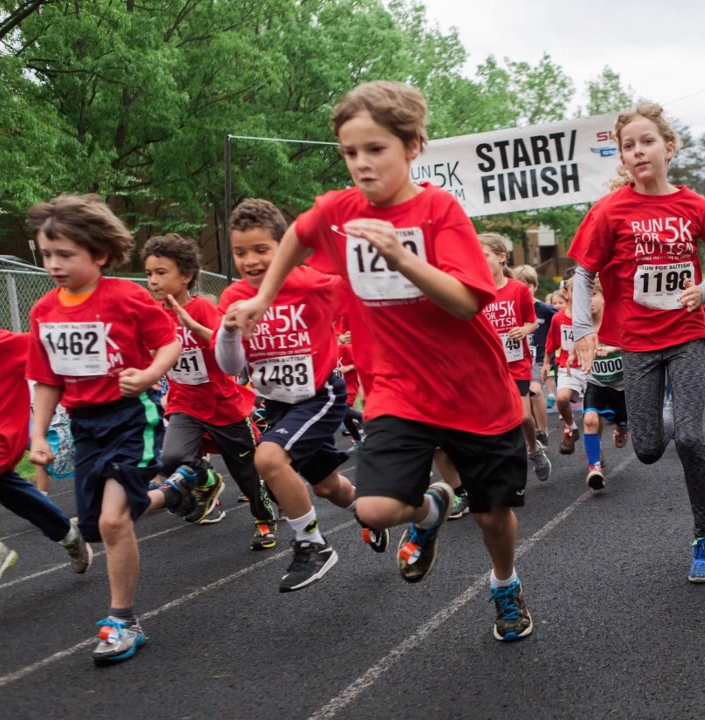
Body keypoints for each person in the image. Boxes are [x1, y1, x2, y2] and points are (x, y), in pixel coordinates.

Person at [224, 81, 534, 641]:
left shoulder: (439, 211)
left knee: (493, 518)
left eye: (375, 149)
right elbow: (297, 232)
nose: (362, 164)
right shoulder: (340, 210)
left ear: (412, 145)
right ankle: (430, 511)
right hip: (397, 389)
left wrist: (399, 255)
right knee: (375, 509)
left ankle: (504, 582)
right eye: (349, 152)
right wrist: (264, 295)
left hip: (476, 392)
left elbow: (466, 303)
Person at [568, 101, 705, 583]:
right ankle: (665, 415)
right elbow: (583, 274)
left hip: (688, 335)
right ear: (622, 158)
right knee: (646, 449)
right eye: (629, 146)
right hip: (638, 345)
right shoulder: (609, 211)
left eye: (647, 142)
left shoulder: (695, 206)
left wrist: (702, 292)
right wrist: (584, 330)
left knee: (689, 437)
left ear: (669, 147)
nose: (639, 151)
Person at [25, 194, 186, 665]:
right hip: (85, 426)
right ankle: (175, 492)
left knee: (115, 521)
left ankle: (123, 620)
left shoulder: (127, 297)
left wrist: (151, 374)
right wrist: (38, 436)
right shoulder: (44, 312)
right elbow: (48, 380)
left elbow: (169, 342)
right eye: (46, 254)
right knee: (98, 525)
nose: (53, 264)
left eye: (65, 255)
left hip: (131, 418)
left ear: (99, 254)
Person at [215, 198, 385, 594]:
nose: (250, 261)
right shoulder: (234, 297)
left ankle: (312, 545)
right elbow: (227, 367)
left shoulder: (313, 284)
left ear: (284, 247)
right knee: (328, 488)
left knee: (269, 458)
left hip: (321, 394)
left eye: (262, 249)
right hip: (278, 405)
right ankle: (372, 514)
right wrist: (227, 329)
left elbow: (363, 285)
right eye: (240, 252)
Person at [141, 233, 282, 549]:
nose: (153, 281)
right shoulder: (152, 315)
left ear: (186, 276)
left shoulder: (203, 307)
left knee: (247, 473)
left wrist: (191, 325)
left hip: (223, 406)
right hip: (184, 403)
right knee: (171, 457)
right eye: (149, 273)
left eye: (161, 273)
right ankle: (208, 480)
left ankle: (264, 520)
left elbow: (226, 349)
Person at [0, 330, 93, 580]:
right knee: (10, 489)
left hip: (3, 439)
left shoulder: (10, 344)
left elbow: (62, 346)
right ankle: (67, 533)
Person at [480, 233, 551, 482]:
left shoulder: (518, 289)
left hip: (518, 363)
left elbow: (532, 322)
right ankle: (504, 465)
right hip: (490, 366)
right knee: (497, 420)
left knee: (522, 416)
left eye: (484, 255)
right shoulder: (478, 291)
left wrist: (524, 329)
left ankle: (532, 448)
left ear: (501, 257)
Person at [579, 279, 629, 490]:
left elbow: (635, 345)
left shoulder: (618, 320)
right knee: (590, 419)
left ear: (603, 297)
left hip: (621, 385)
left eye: (594, 295)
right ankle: (594, 467)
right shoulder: (581, 326)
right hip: (596, 383)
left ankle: (621, 428)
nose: (589, 301)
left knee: (623, 423)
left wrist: (614, 349)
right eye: (586, 296)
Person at [513, 264, 556, 448]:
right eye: (520, 285)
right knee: (524, 399)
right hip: (519, 358)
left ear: (535, 286)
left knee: (536, 391)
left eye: (528, 286)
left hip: (539, 358)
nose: (524, 289)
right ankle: (530, 434)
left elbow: (564, 319)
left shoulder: (545, 309)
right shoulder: (512, 308)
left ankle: (543, 431)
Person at [544, 274, 587, 456]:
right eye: (575, 291)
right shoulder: (558, 319)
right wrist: (546, 363)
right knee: (562, 399)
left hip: (589, 367)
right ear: (566, 293)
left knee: (593, 416)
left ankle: (596, 449)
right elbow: (551, 342)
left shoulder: (589, 315)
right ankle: (571, 428)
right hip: (567, 368)